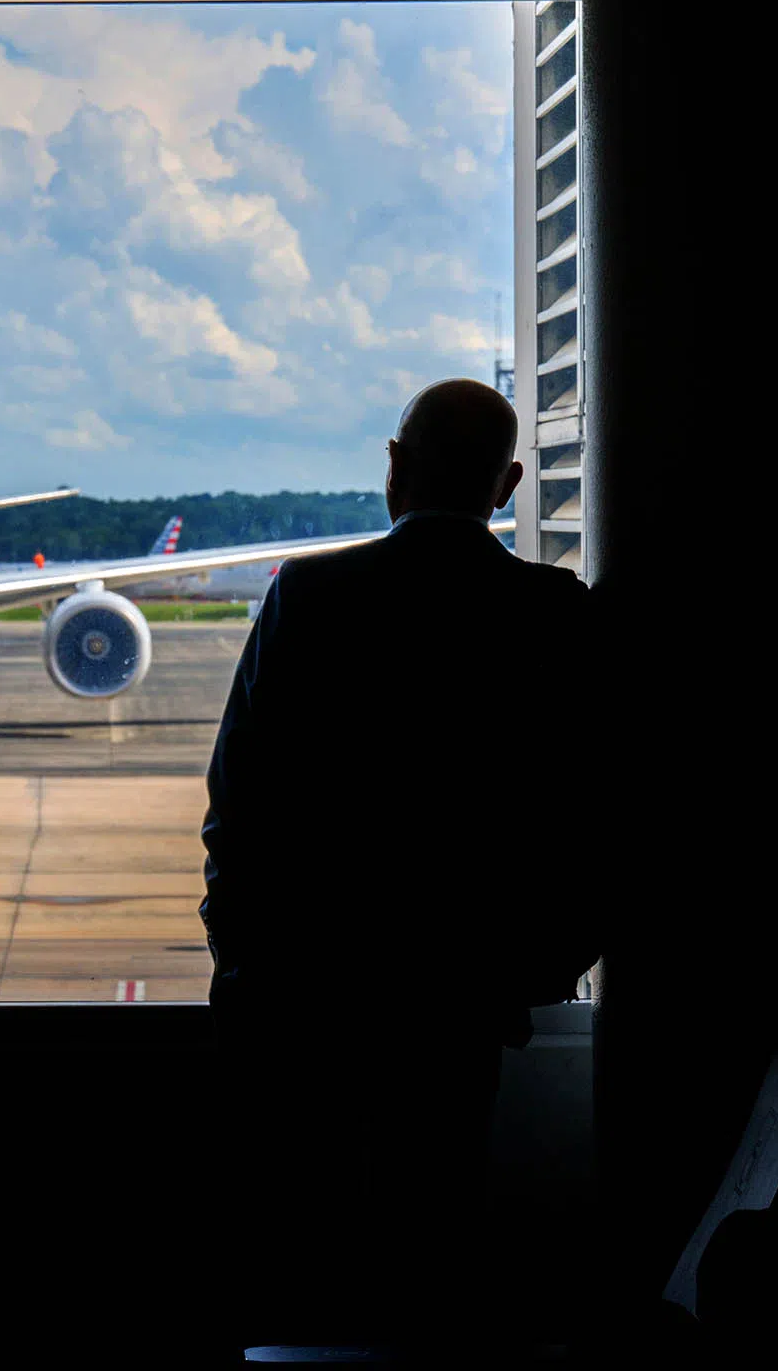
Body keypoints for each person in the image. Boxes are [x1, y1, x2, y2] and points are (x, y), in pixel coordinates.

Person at [199, 377, 598, 1353]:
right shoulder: (552, 610)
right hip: (464, 997)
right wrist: (542, 965)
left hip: (308, 991)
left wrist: (241, 963)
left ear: (393, 465)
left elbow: (237, 806)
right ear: (507, 482)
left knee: (310, 1259)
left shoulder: (309, 596)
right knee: (436, 1254)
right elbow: (596, 811)